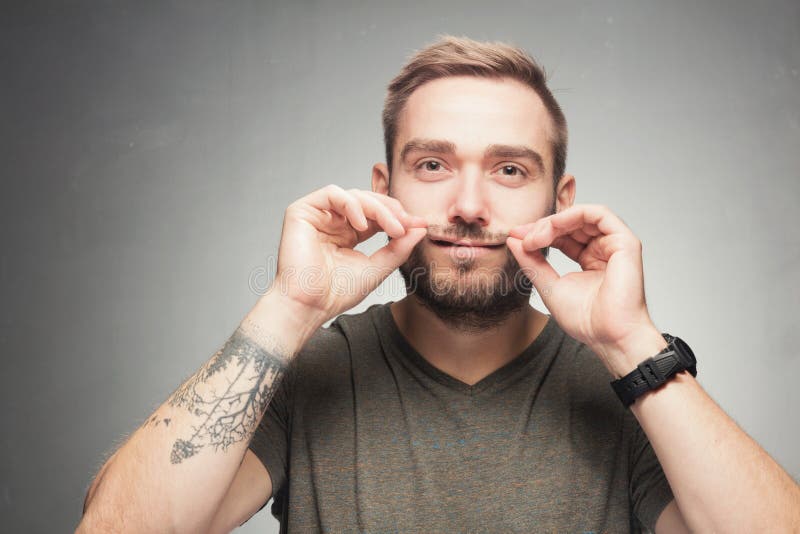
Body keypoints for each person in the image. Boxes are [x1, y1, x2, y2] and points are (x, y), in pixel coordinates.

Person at [78, 35, 800, 533]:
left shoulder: (624, 388)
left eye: (510, 169)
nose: (468, 205)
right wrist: (288, 308)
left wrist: (632, 343)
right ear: (382, 187)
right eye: (433, 165)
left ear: (560, 198)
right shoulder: (315, 369)